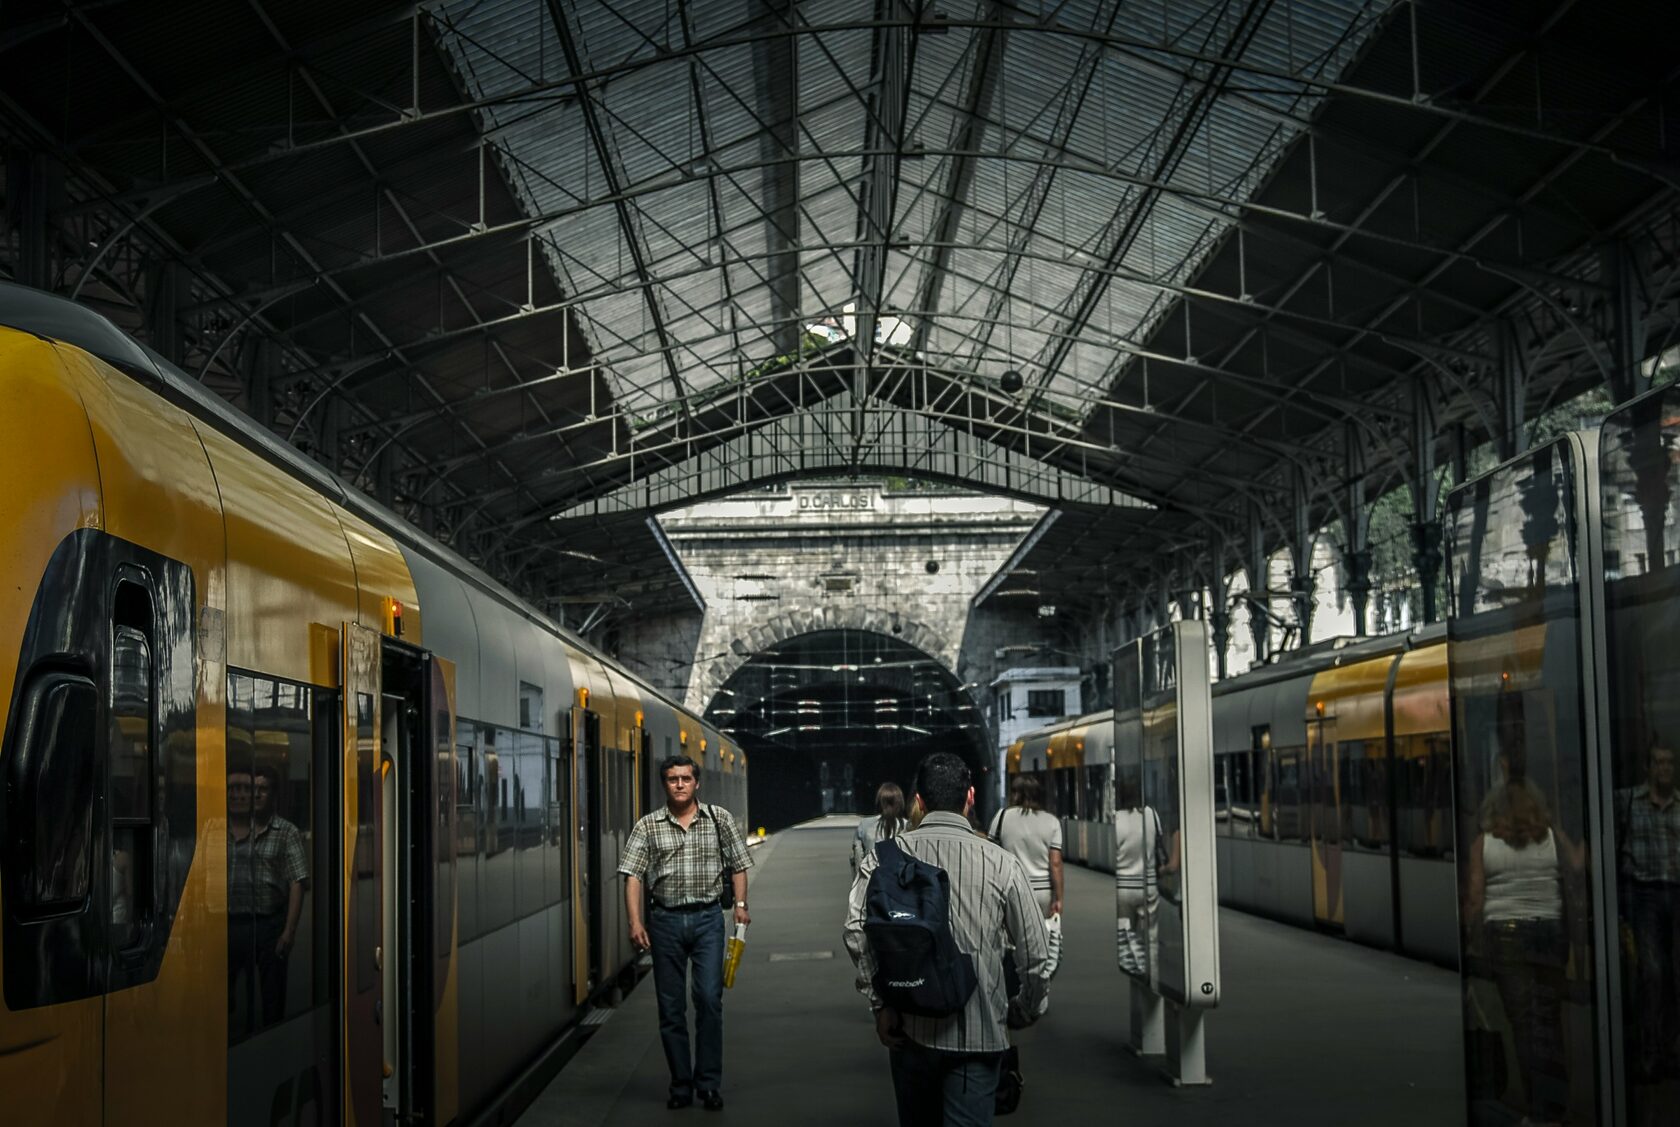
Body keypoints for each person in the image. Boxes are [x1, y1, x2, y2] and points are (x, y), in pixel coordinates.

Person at [844, 752, 1051, 1127]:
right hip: (980, 1032)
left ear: (918, 801)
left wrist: (880, 1004)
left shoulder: (884, 858)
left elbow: (856, 932)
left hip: (908, 1027)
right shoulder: (1001, 862)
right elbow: (1035, 953)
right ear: (970, 797)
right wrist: (1026, 1007)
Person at [621, 754, 753, 1112]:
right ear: (664, 784)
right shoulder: (647, 827)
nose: (679, 784)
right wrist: (635, 921)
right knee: (671, 1007)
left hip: (708, 918)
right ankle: (681, 1084)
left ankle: (708, 1084)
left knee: (709, 1000)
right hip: (664, 922)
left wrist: (740, 904)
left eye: (685, 778)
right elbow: (633, 875)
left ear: (696, 783)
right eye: (672, 779)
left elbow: (739, 864)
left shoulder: (718, 819)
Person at [1465, 777, 1584, 1127]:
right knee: (1548, 1020)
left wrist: (1470, 939)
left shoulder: (1482, 844)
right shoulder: (1551, 836)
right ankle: (1555, 1109)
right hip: (1549, 933)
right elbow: (1575, 869)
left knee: (1523, 1025)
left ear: (1493, 808)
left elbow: (1474, 899)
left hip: (1505, 937)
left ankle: (1537, 1110)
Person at [1616, 745, 1680, 1084]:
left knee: (1674, 975)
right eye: (1659, 762)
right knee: (1652, 973)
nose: (1665, 769)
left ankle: (1670, 1049)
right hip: (1645, 894)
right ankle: (1649, 1053)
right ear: (1648, 767)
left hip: (1677, 892)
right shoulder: (1628, 801)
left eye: (1670, 762)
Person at [228, 765, 308, 1033]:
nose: (257, 795)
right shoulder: (234, 828)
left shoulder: (287, 832)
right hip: (231, 925)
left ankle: (273, 1046)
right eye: (254, 789)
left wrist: (289, 931)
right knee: (222, 996)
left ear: (273, 795)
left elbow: (297, 881)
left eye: (263, 789)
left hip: (269, 925)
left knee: (271, 997)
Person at [987, 775, 1063, 919]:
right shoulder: (1052, 822)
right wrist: (1058, 898)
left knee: (1011, 938)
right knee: (1041, 936)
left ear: (1015, 794)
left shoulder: (1001, 817)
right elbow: (1056, 864)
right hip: (1042, 892)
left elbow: (991, 855)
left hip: (1011, 888)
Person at [852, 782, 909, 874]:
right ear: (900, 802)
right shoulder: (908, 826)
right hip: (899, 882)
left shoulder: (865, 825)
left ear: (879, 802)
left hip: (872, 881)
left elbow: (858, 858)